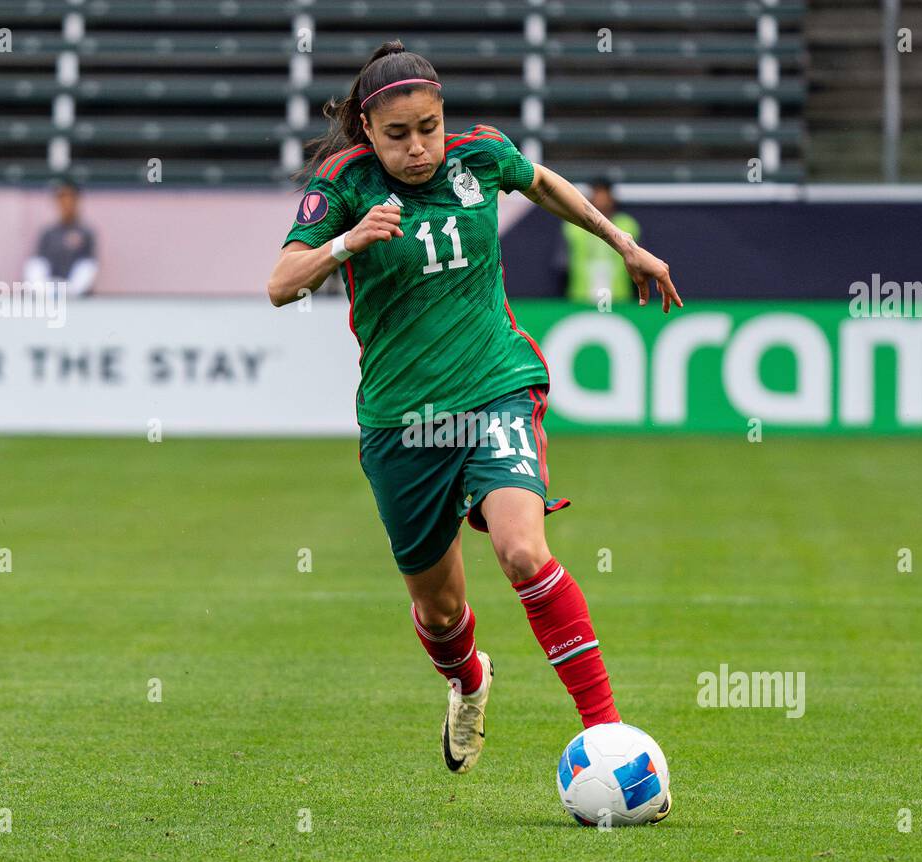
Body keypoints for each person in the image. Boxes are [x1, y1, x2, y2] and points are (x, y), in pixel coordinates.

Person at [267, 41, 681, 809]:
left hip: (496, 386)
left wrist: (624, 242)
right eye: (398, 135)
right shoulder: (344, 184)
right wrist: (348, 240)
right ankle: (468, 680)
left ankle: (607, 734)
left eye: (429, 126)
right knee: (441, 609)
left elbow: (544, 183)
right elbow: (280, 284)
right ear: (368, 128)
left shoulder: (480, 156)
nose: (418, 146)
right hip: (402, 422)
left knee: (524, 552)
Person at [560, 176, 642, 304]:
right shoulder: (573, 226)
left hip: (619, 299)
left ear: (611, 197)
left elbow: (639, 264)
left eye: (604, 194)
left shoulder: (627, 225)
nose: (601, 200)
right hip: (581, 298)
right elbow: (562, 264)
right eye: (597, 194)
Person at [24, 178, 98, 296]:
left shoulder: (86, 233)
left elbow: (88, 268)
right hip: (48, 295)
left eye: (70, 197)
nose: (66, 203)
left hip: (76, 299)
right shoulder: (48, 233)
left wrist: (69, 291)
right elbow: (37, 266)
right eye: (61, 198)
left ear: (76, 200)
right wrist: (47, 290)